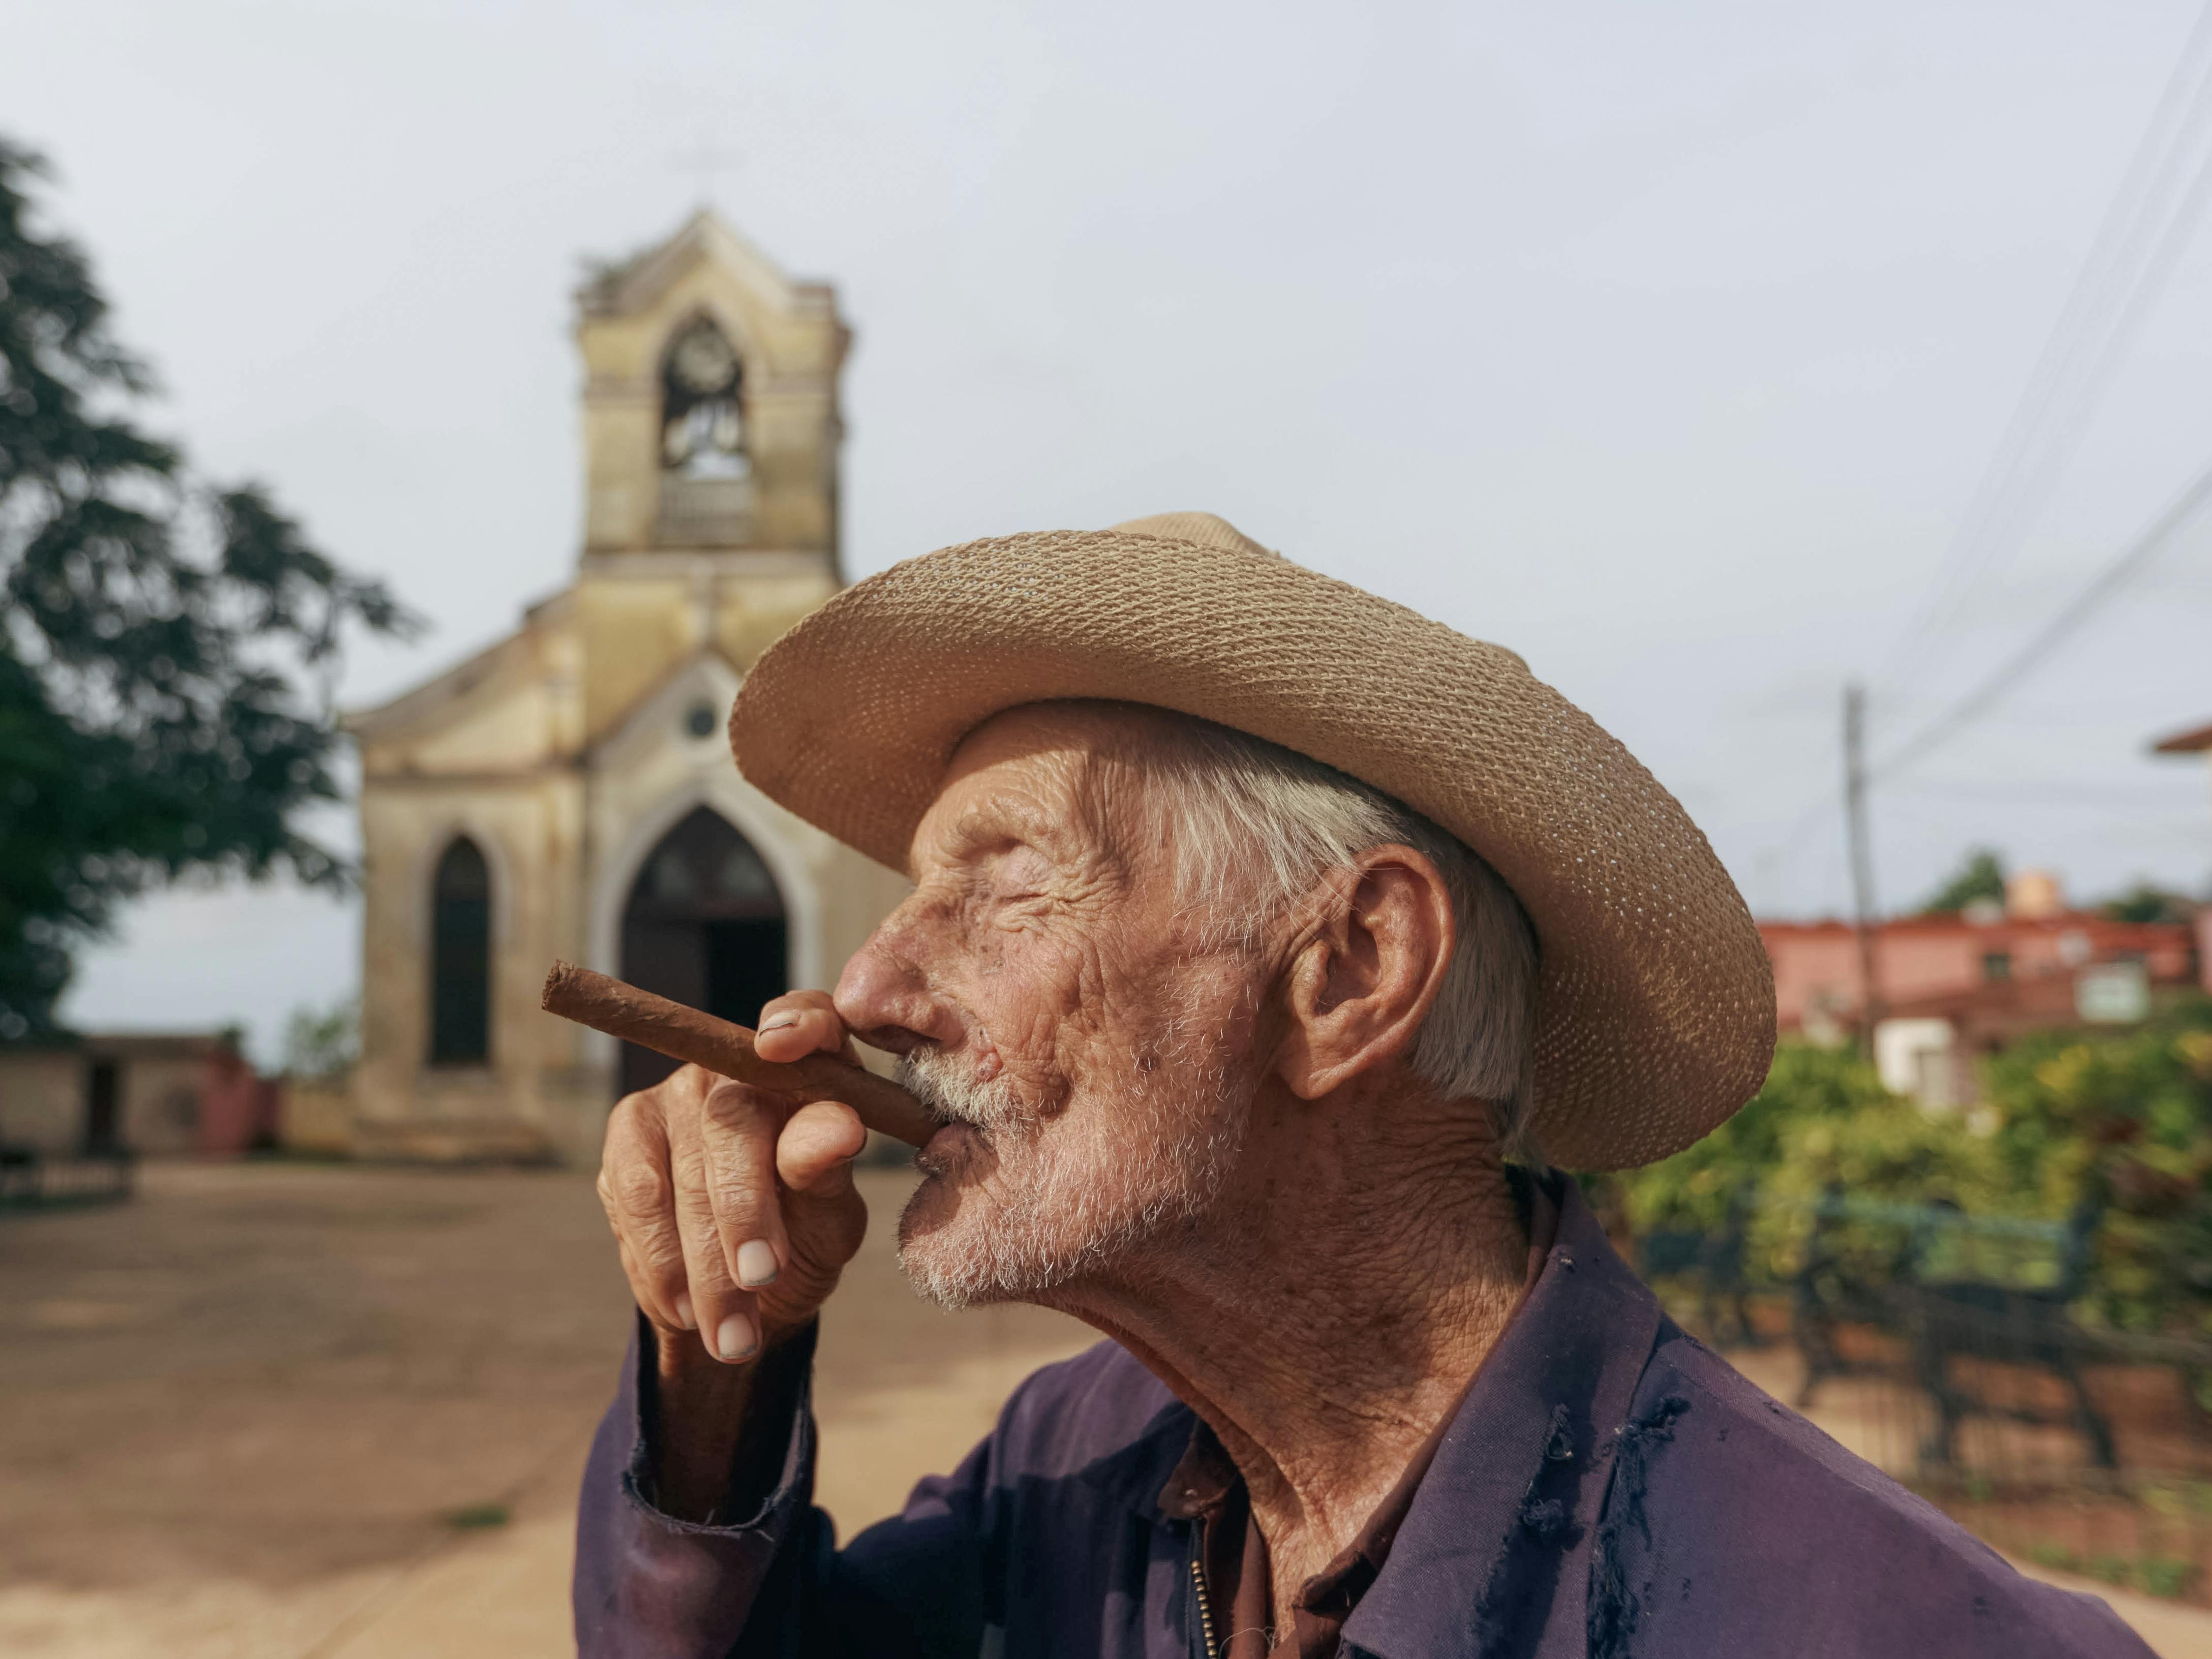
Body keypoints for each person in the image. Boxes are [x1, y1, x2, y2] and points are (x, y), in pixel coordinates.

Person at [574, 514, 2146, 1657]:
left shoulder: (1881, 1628)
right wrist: (712, 1362)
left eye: (1003, 887)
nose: (868, 993)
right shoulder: (1075, 1464)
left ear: (1353, 972)